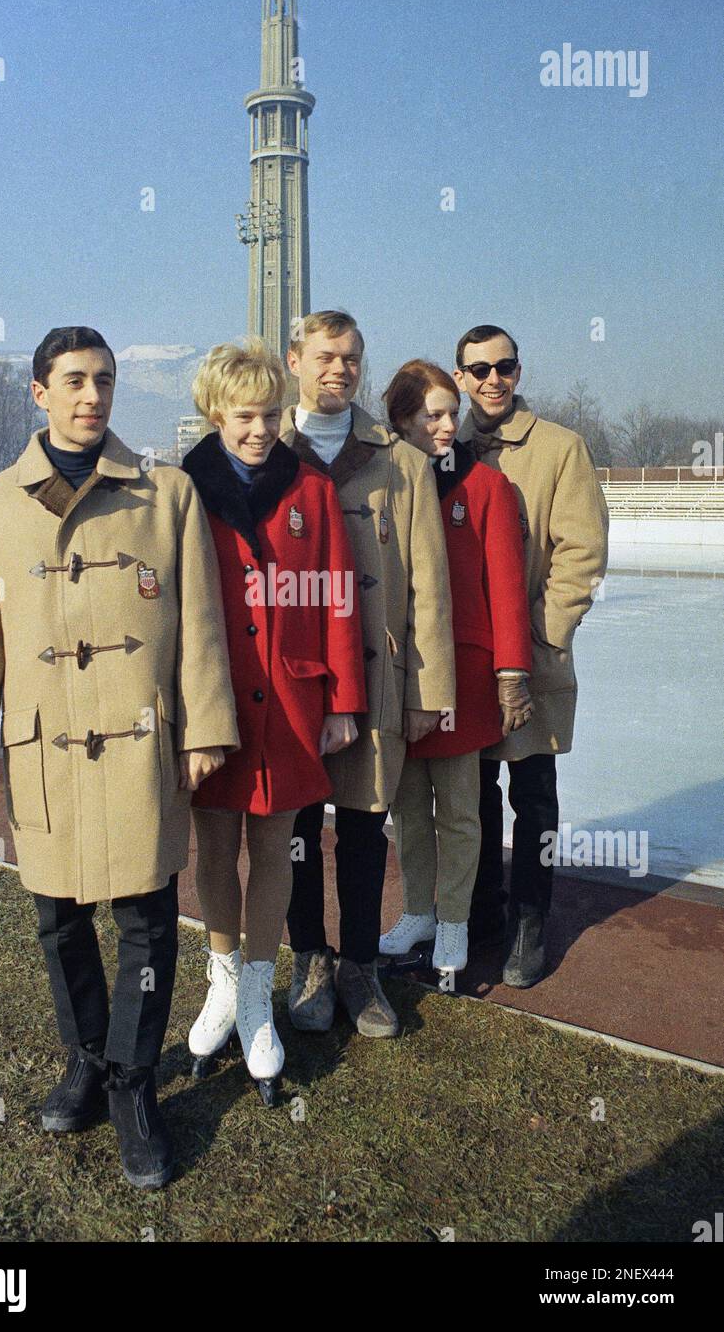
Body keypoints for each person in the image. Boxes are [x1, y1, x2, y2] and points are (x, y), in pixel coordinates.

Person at [0, 326, 239, 1188]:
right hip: (43, 753)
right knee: (58, 919)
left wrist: (206, 725)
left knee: (146, 917)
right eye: (72, 381)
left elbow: (199, 620)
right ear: (39, 392)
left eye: (103, 380)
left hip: (143, 741)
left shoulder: (165, 493)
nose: (90, 396)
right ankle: (88, 1065)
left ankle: (135, 1083)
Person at [181, 338, 366, 1103]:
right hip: (215, 704)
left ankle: (259, 994)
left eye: (266, 414)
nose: (258, 429)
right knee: (216, 846)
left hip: (292, 703)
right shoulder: (181, 490)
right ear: (216, 414)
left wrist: (345, 700)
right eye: (243, 415)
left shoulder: (311, 491)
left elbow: (338, 599)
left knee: (278, 847)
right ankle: (222, 981)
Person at [281, 311, 456, 1038]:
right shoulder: (265, 449)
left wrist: (427, 692)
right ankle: (307, 961)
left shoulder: (399, 461)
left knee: (360, 828)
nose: (339, 370)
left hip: (375, 678)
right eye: (324, 356)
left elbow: (428, 590)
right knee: (290, 831)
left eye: (351, 358)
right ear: (294, 360)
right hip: (290, 683)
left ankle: (358, 965)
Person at [455, 324, 609, 986]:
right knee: (472, 794)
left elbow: (581, 551)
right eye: (478, 370)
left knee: (534, 792)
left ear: (518, 372)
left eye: (504, 367)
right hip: (465, 662)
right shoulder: (446, 450)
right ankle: (481, 912)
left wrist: (541, 636)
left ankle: (527, 921)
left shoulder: (558, 449)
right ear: (459, 377)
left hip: (534, 661)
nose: (493, 380)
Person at [379, 360, 533, 975]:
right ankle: (418, 908)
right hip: (398, 673)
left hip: (463, 677)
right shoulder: (383, 483)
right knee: (408, 808)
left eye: (451, 413)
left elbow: (507, 590)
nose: (448, 426)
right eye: (432, 415)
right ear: (402, 421)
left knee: (461, 810)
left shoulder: (488, 489)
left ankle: (453, 920)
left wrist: (512, 671)